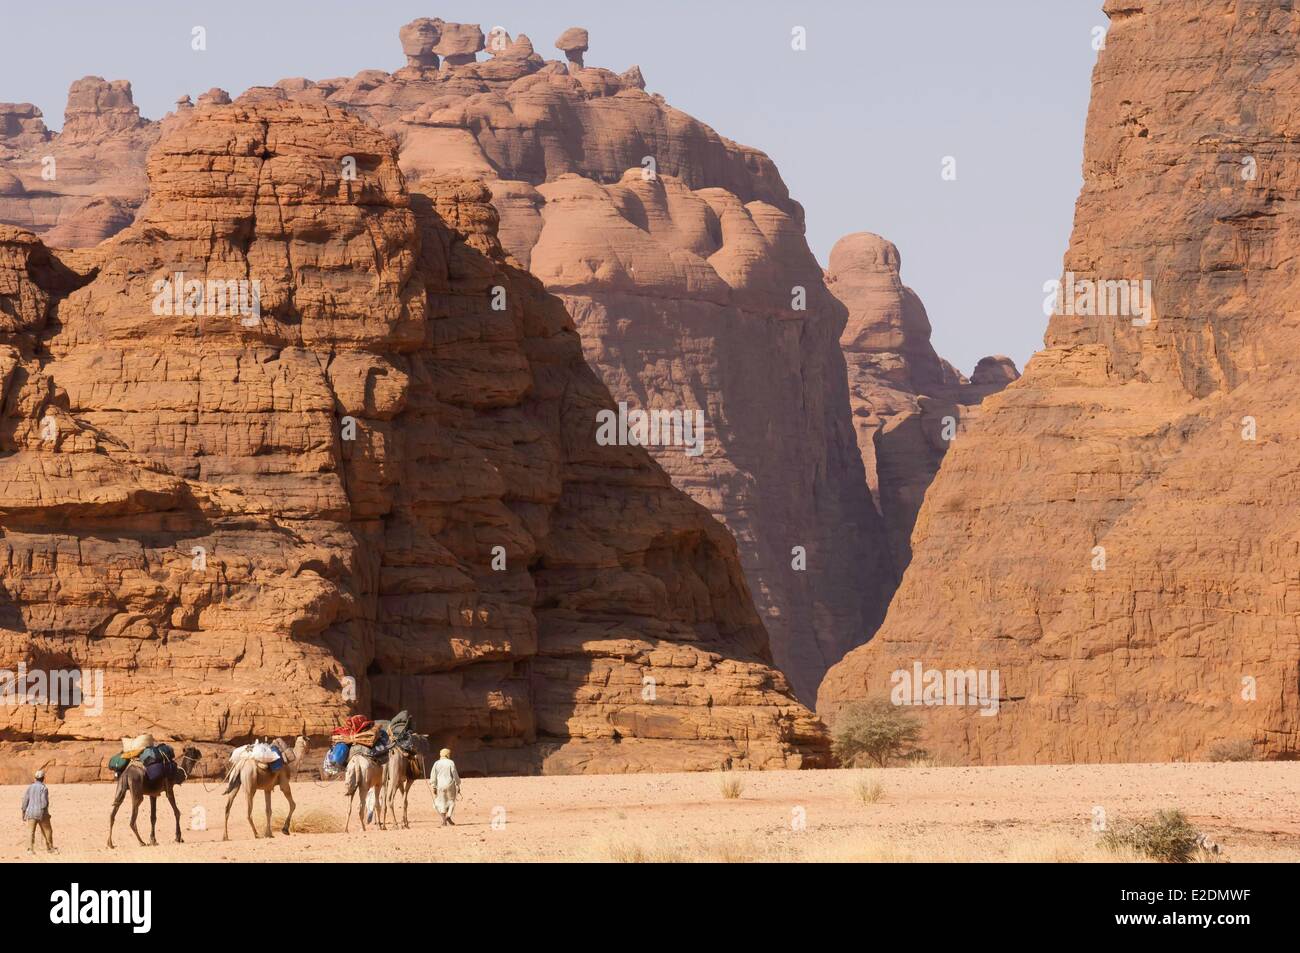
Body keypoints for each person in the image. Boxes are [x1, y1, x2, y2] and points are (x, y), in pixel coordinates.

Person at [22, 769, 55, 854]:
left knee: (30, 831)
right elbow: (44, 802)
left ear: (35, 778)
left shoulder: (30, 787)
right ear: (43, 778)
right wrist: (46, 813)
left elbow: (25, 801)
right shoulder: (44, 788)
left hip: (30, 812)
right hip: (41, 812)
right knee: (47, 830)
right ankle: (50, 848)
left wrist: (23, 812)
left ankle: (30, 849)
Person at [430, 748, 461, 826]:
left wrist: (434, 786)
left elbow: (433, 775)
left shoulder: (436, 763)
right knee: (451, 801)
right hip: (450, 784)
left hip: (440, 785)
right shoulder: (451, 762)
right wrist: (458, 783)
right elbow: (454, 774)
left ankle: (444, 821)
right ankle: (448, 816)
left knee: (442, 802)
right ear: (447, 754)